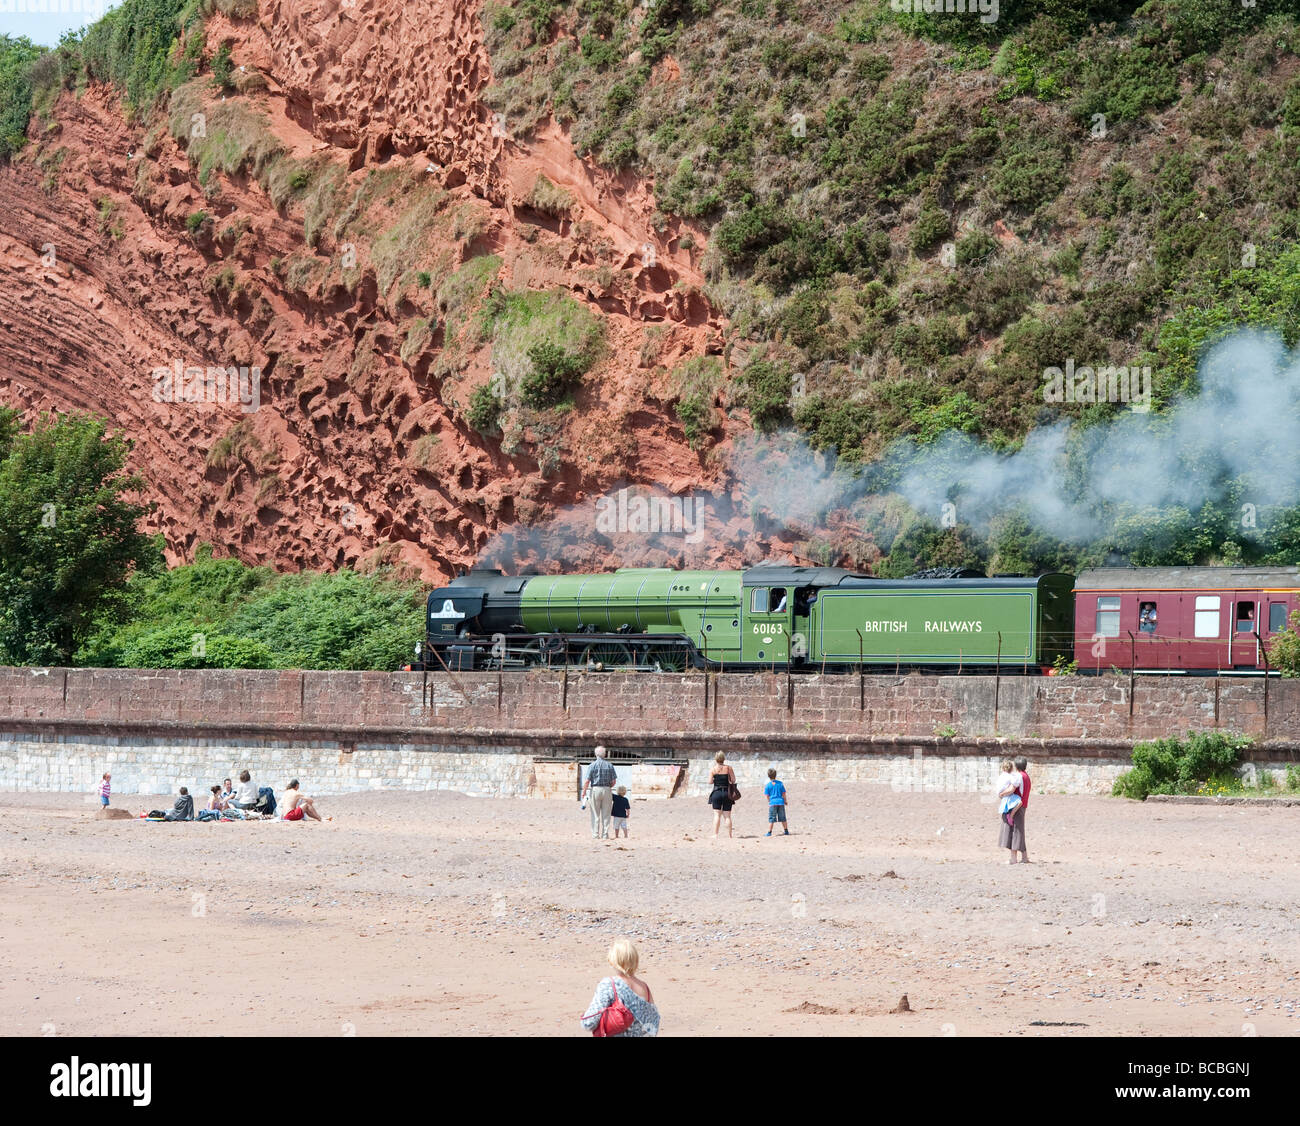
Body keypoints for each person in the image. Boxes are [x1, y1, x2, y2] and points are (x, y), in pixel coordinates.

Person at [579, 939, 660, 1037]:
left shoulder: (609, 984)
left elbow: (589, 1023)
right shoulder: (645, 988)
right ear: (635, 960)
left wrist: (585, 1017)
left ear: (612, 961)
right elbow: (653, 1026)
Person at [581, 745, 618, 840]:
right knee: (606, 813)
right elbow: (614, 781)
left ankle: (595, 834)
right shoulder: (610, 765)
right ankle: (605, 834)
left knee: (595, 813)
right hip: (607, 789)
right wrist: (608, 787)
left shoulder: (592, 765)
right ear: (604, 754)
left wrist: (584, 792)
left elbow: (587, 781)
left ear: (595, 754)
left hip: (595, 789)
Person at [995, 759, 1024, 864]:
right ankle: (1011, 816)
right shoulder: (1009, 776)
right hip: (1008, 796)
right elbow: (1012, 787)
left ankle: (1010, 815)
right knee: (1019, 802)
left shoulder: (1001, 776)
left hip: (1003, 798)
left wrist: (1001, 794)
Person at [708, 751, 736, 838]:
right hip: (727, 793)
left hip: (717, 792)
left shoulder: (713, 769)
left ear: (716, 759)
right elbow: (733, 780)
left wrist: (715, 779)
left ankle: (715, 834)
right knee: (727, 816)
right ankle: (730, 835)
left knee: (717, 815)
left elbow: (710, 782)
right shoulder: (728, 768)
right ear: (723, 758)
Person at [1013, 756, 1031, 864]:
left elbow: (1013, 789)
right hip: (1023, 805)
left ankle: (1017, 857)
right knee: (1019, 831)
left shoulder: (1019, 776)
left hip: (1018, 805)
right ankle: (1024, 856)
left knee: (1017, 831)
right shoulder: (1026, 776)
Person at [763, 767, 789, 836]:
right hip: (780, 802)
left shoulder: (768, 785)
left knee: (771, 818)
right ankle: (786, 831)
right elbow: (783, 793)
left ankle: (769, 832)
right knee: (783, 817)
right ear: (775, 775)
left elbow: (767, 795)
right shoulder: (780, 783)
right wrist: (785, 800)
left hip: (773, 803)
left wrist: (769, 801)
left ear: (768, 776)